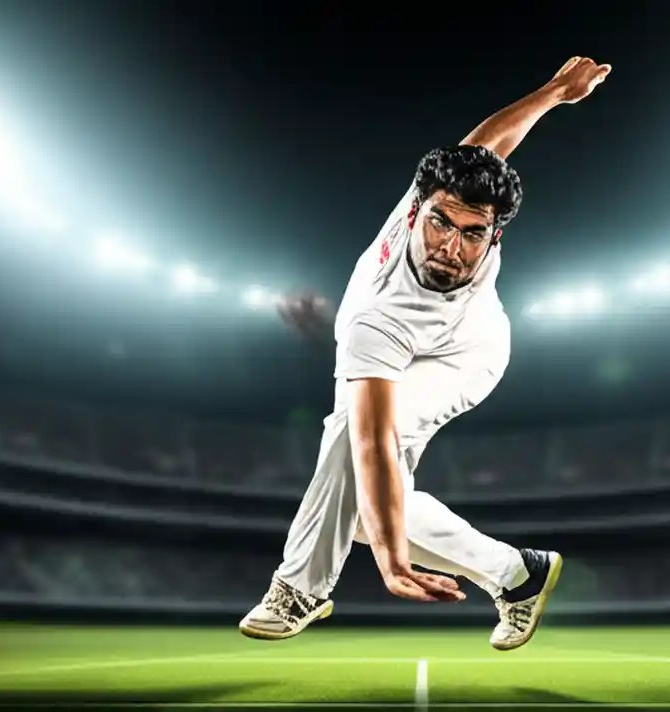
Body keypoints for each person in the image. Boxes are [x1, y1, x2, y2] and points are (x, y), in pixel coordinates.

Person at [240, 56, 612, 650]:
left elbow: (489, 143)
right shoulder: (374, 315)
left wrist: (554, 93)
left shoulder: (464, 204)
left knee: (348, 442)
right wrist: (389, 561)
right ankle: (519, 574)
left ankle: (300, 586)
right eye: (440, 223)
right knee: (361, 511)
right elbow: (372, 444)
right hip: (395, 343)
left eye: (472, 233)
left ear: (495, 233)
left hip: (469, 354)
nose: (451, 246)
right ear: (415, 209)